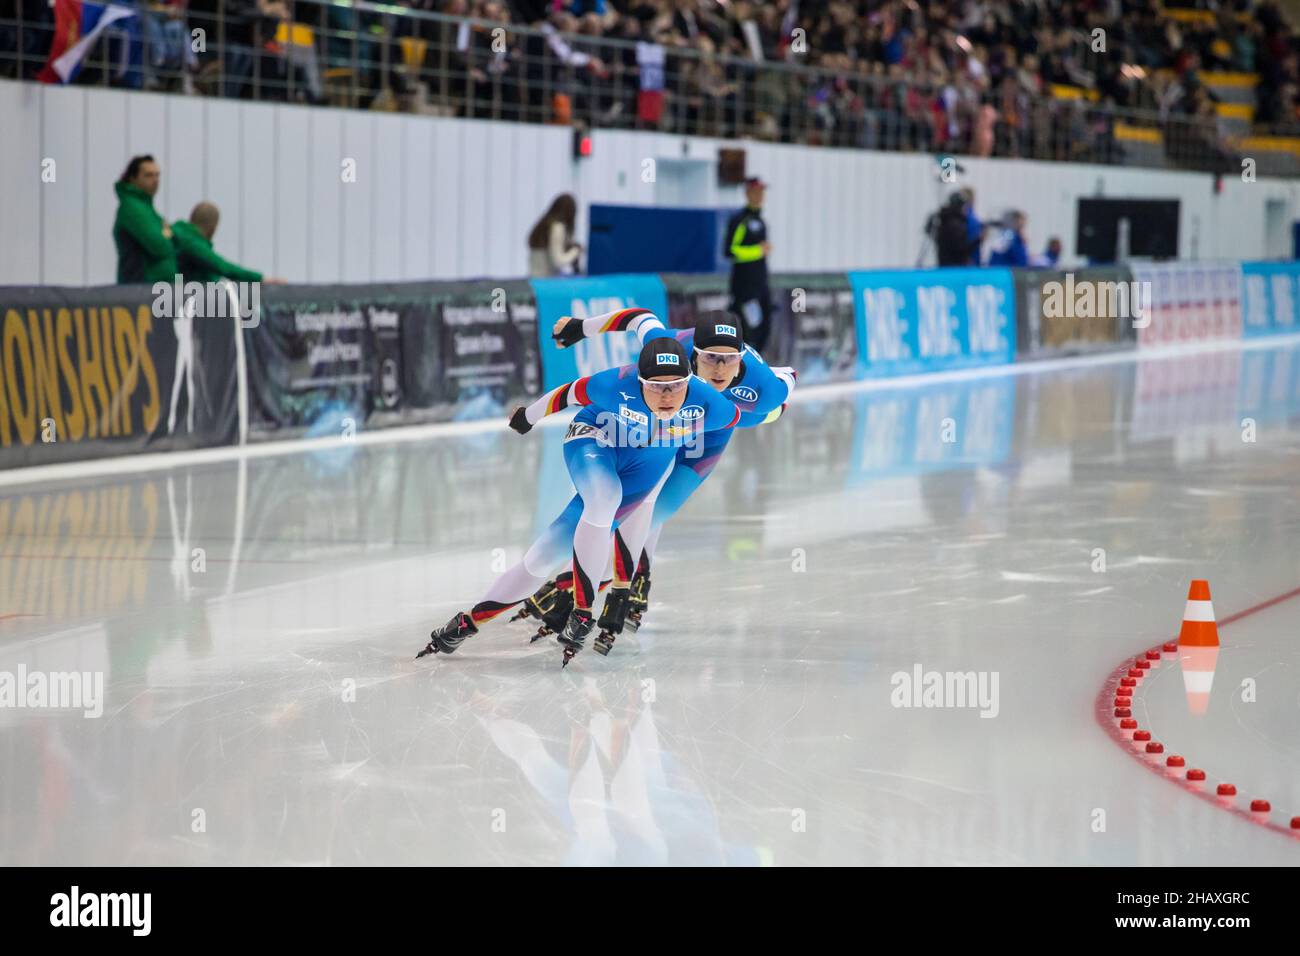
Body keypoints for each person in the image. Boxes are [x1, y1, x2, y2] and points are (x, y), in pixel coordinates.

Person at [418, 336, 742, 665]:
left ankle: (465, 624)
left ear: (690, 381)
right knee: (604, 499)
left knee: (542, 559)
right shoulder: (616, 385)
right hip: (594, 442)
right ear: (639, 381)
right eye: (656, 387)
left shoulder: (715, 407)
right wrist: (527, 417)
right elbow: (568, 393)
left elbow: (760, 410)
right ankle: (583, 614)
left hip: (641, 473)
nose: (667, 395)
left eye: (675, 386)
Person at [543, 308, 796, 633]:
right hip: (666, 418)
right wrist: (581, 328)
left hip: (716, 425)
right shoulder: (670, 347)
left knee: (660, 509)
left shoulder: (764, 390)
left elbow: (788, 379)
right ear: (692, 354)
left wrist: (767, 414)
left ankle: (629, 579)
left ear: (741, 356)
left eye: (729, 360)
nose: (718, 369)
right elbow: (639, 318)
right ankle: (585, 579)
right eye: (708, 358)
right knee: (634, 501)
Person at [172, 202, 277, 284]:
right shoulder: (192, 244)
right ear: (212, 230)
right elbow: (223, 267)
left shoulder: (178, 237)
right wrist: (260, 279)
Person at [724, 176, 773, 351]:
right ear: (747, 193)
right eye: (756, 191)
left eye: (762, 191)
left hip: (761, 285)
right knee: (749, 330)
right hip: (744, 288)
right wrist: (757, 251)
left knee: (765, 328)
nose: (760, 195)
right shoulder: (740, 220)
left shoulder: (761, 221)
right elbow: (730, 251)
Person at [113, 155, 176, 284]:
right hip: (139, 292)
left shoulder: (146, 208)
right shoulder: (132, 208)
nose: (155, 180)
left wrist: (166, 232)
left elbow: (168, 236)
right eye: (148, 175)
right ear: (133, 178)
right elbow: (161, 246)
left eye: (157, 175)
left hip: (151, 290)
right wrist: (167, 232)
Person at [527, 193, 582, 277]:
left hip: (533, 279)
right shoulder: (557, 227)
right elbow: (558, 261)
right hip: (546, 281)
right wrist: (576, 251)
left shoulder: (544, 224)